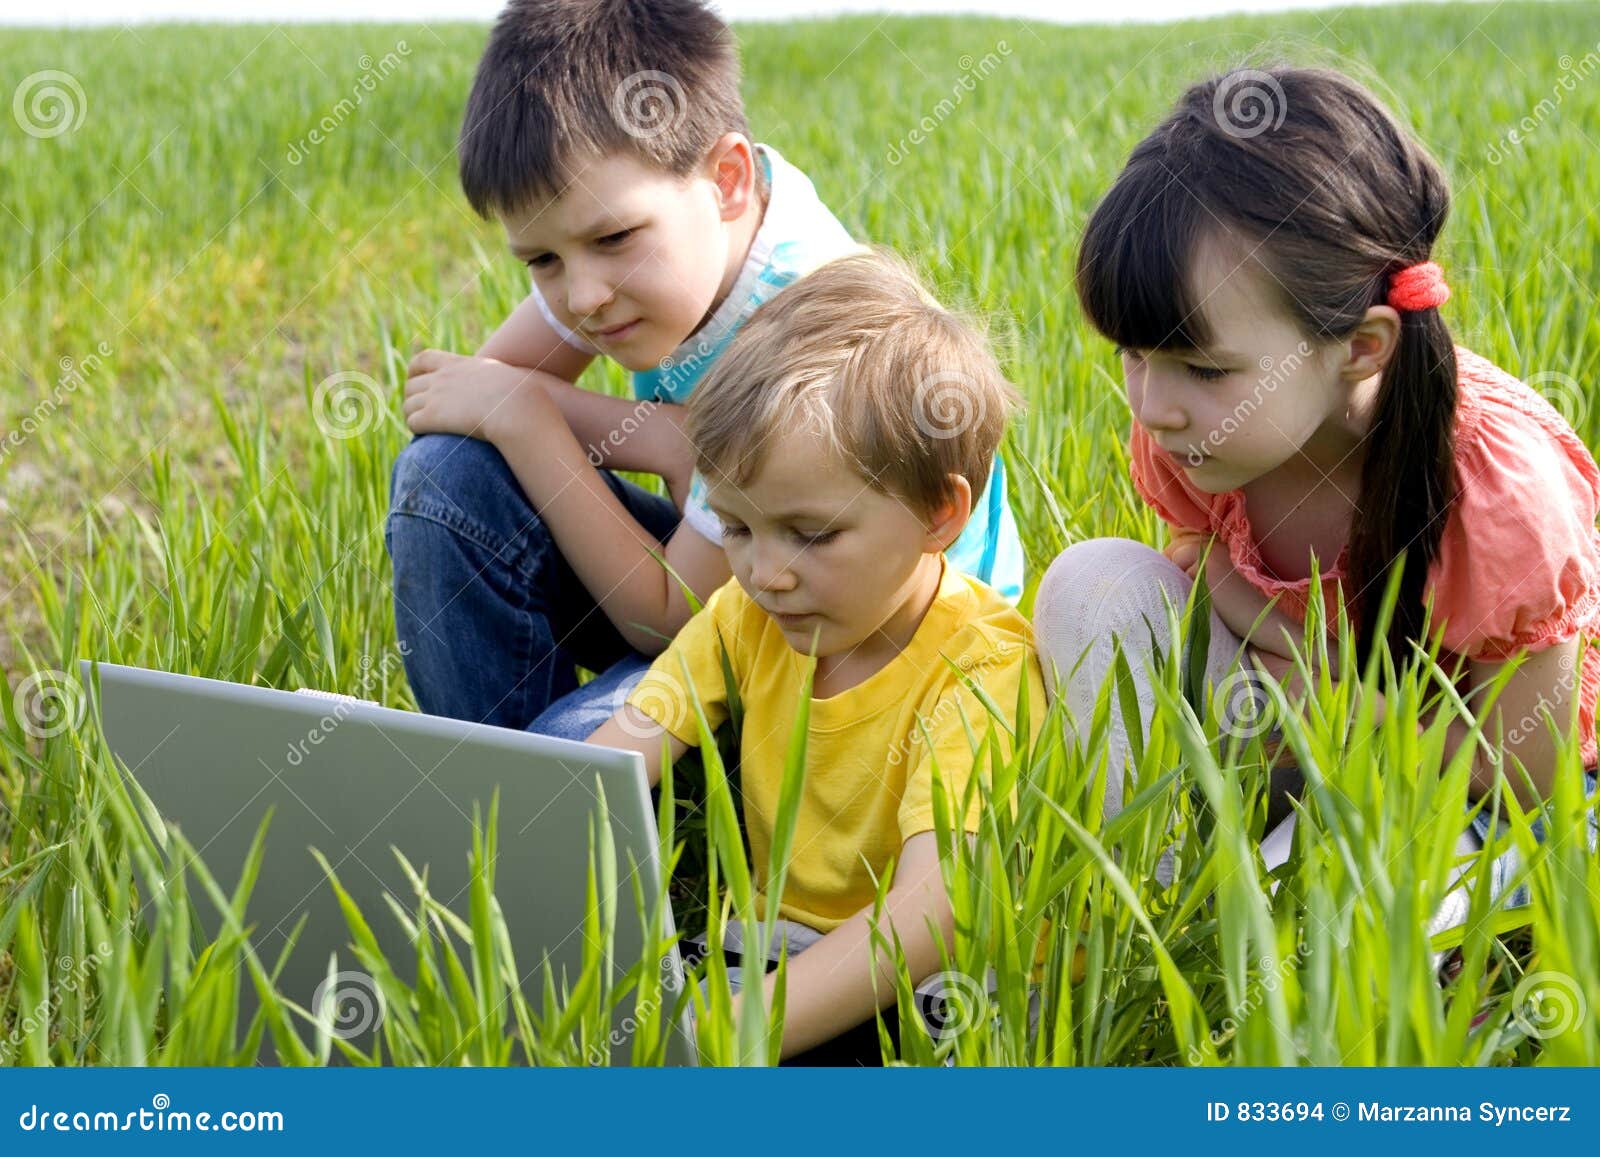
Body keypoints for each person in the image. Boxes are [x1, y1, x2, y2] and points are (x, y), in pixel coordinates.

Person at [387, 0, 1024, 739]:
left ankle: (530, 799)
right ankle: (493, 770)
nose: (583, 295)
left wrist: (531, 416)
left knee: (574, 759)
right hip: (739, 589)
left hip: (853, 655)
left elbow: (667, 615)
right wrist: (666, 438)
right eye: (542, 260)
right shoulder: (661, 231)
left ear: (727, 179)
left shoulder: (799, 309)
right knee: (448, 475)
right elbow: (462, 402)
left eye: (614, 238)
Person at [1034, 65, 1599, 897]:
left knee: (1329, 910)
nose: (1152, 405)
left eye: (1203, 367)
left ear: (1362, 348)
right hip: (1300, 716)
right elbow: (1192, 564)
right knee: (1092, 582)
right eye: (1134, 357)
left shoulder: (1495, 489)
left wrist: (1343, 706)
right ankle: (1152, 896)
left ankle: (1283, 916)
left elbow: (1526, 770)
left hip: (1470, 794)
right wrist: (1306, 663)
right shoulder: (1201, 431)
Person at [585, 251, 1046, 1062]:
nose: (766, 572)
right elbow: (608, 762)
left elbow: (936, 910)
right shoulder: (744, 615)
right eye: (737, 528)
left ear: (940, 513)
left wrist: (731, 1031)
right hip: (774, 948)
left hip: (936, 978)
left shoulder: (982, 664)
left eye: (813, 533)